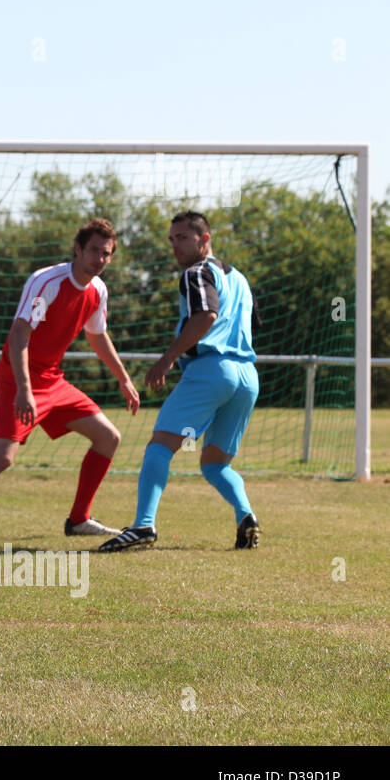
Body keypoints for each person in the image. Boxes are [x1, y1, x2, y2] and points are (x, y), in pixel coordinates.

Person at [0, 218, 140, 543]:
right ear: (78, 249)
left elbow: (97, 336)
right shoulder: (48, 281)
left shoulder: (98, 290)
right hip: (18, 378)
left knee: (109, 437)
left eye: (106, 253)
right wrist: (25, 390)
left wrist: (123, 379)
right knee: (2, 458)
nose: (100, 259)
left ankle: (79, 520)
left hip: (53, 381)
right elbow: (20, 333)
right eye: (94, 250)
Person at [99, 211, 261, 552]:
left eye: (183, 238)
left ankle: (143, 525)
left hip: (211, 369)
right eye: (172, 239)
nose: (176, 246)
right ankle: (246, 516)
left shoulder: (196, 273)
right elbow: (250, 323)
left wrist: (168, 357)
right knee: (216, 464)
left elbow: (207, 315)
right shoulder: (241, 279)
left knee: (160, 445)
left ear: (205, 238)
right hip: (247, 375)